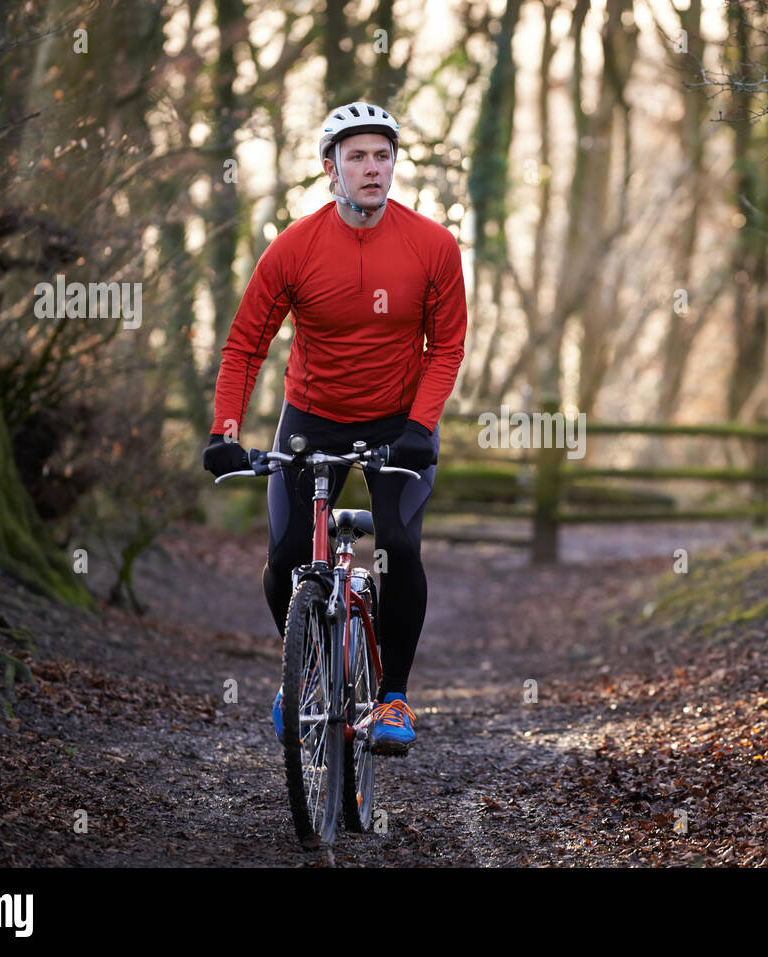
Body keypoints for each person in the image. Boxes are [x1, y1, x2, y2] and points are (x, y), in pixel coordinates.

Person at [201, 101, 467, 755]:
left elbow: (448, 346)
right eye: (357, 157)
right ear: (331, 169)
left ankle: (394, 696)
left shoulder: (432, 245)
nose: (373, 168)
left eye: (383, 155)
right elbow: (244, 346)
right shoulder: (294, 248)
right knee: (286, 559)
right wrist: (223, 431)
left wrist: (420, 425)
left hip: (397, 425)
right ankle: (308, 670)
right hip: (310, 421)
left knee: (399, 546)